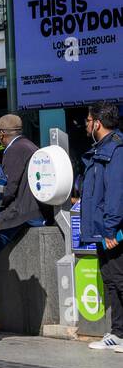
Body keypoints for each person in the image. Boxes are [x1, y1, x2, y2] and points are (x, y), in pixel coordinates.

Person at [0, 114, 51, 332]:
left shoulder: (15, 150)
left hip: (18, 215)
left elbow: (7, 188)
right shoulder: (30, 146)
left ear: (2, 135)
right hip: (31, 213)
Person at [81, 102, 123, 351]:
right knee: (110, 280)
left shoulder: (116, 149)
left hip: (112, 230)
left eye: (88, 120)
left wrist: (110, 228)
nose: (86, 124)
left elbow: (116, 193)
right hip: (102, 229)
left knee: (119, 279)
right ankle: (118, 333)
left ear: (97, 122)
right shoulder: (101, 150)